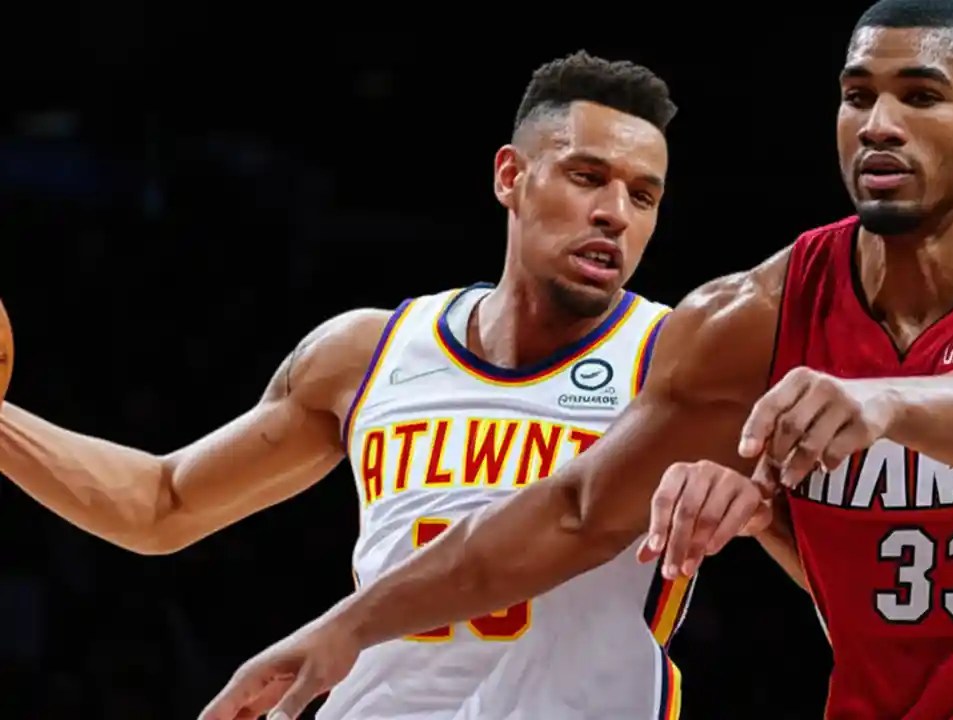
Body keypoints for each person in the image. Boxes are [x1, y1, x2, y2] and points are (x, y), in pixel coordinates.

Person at [200, 2, 953, 719]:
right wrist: (342, 631)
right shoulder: (753, 311)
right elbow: (575, 510)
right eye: (856, 97)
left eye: (918, 96)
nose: (878, 123)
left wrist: (885, 403)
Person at [0, 51, 717, 720]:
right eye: (588, 176)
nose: (615, 214)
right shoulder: (367, 354)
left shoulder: (677, 361)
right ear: (510, 177)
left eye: (644, 195)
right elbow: (162, 503)